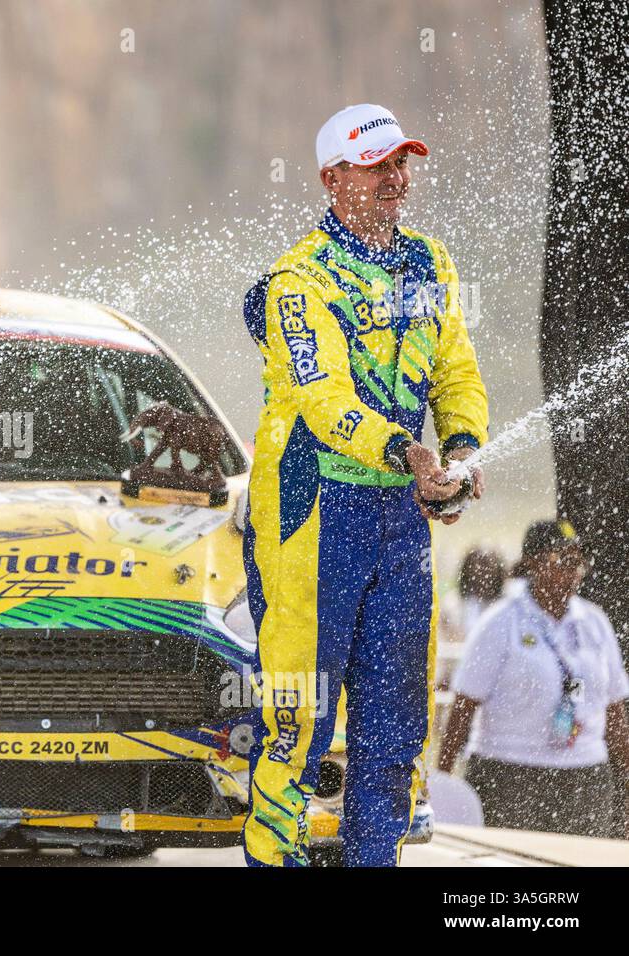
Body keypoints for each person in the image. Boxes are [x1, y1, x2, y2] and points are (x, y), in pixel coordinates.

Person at [240, 104, 488, 866]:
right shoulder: (298, 279)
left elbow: (456, 370)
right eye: (377, 165)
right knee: (298, 724)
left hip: (399, 516)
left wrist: (461, 452)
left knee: (396, 725)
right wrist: (405, 453)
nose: (395, 178)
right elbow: (322, 399)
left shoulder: (429, 263)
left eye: (401, 162)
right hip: (312, 509)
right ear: (332, 178)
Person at [438, 521, 629, 838]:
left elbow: (615, 711)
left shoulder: (595, 623)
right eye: (561, 560)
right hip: (508, 775)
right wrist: (442, 783)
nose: (573, 572)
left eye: (577, 561)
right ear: (532, 563)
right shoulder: (500, 622)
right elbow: (463, 706)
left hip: (584, 778)